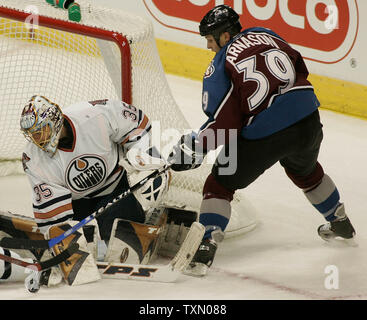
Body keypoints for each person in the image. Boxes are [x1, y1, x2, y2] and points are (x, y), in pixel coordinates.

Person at [168, 5, 356, 276]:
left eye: (210, 39)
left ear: (224, 37)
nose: (209, 46)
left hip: (269, 131)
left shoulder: (220, 64)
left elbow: (225, 124)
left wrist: (196, 147)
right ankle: (339, 222)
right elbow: (298, 65)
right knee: (305, 171)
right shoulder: (266, 33)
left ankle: (205, 246)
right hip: (309, 118)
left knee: (220, 183)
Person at [19, 96, 168, 241]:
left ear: (55, 120)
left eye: (40, 131)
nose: (36, 139)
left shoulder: (96, 115)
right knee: (79, 241)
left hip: (115, 193)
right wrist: (62, 237)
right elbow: (54, 214)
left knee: (116, 233)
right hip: (76, 205)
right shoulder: (33, 157)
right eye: (32, 135)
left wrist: (148, 164)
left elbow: (139, 127)